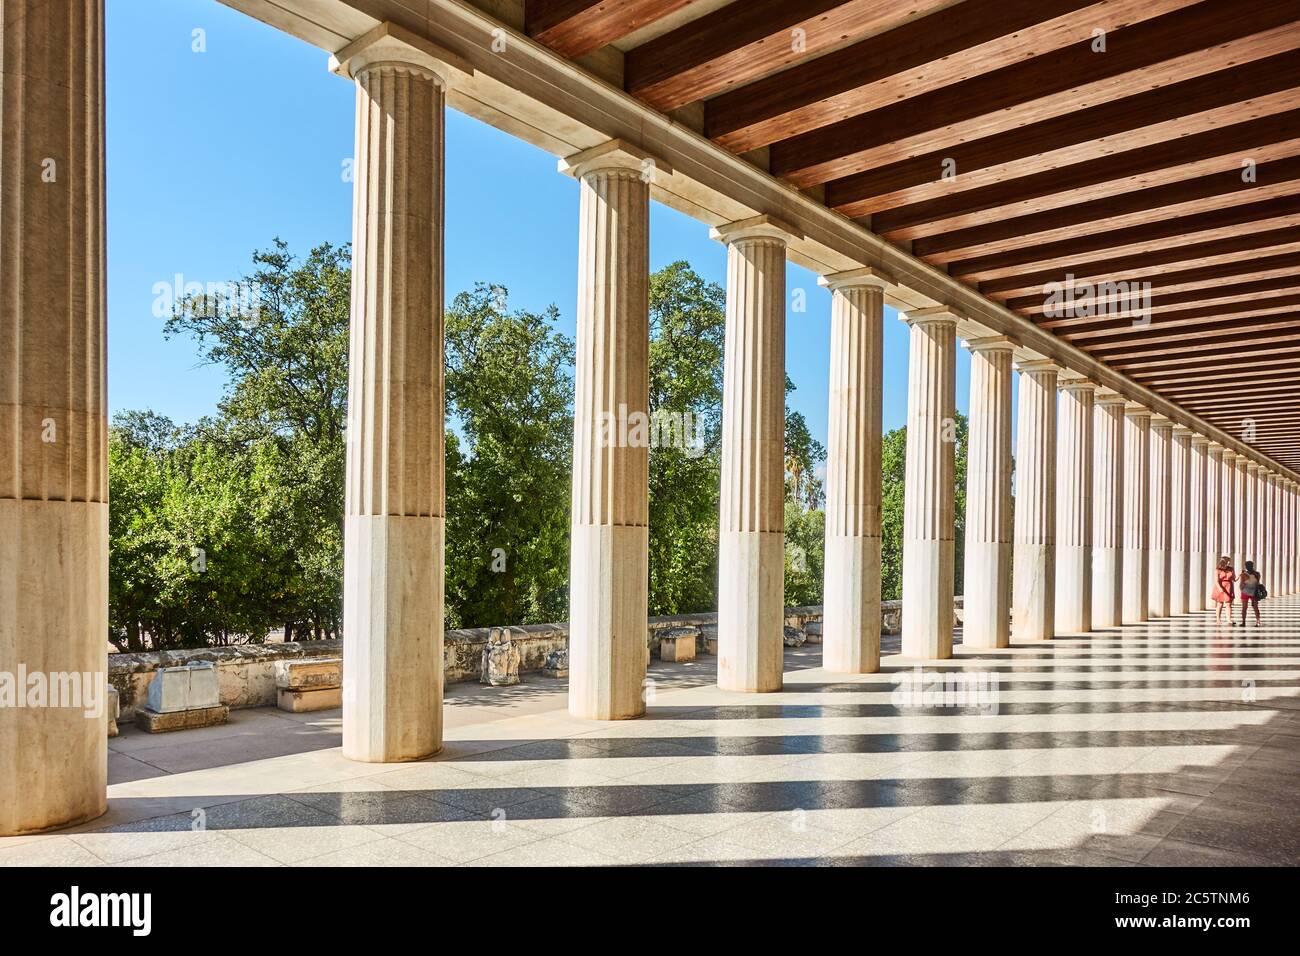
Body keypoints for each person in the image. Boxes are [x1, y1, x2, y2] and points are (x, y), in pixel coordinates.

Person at [1238, 560, 1264, 627]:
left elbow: (1241, 584)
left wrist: (1242, 589)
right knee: (1255, 607)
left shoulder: (1244, 574)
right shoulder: (1257, 574)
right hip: (1253, 591)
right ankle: (1257, 621)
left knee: (1245, 607)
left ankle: (1244, 622)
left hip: (1246, 592)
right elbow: (1257, 582)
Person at [1212, 555, 1235, 625]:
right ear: (1224, 562)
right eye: (1228, 561)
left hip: (1229, 587)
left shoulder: (1231, 569)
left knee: (1228, 604)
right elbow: (1216, 581)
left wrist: (1240, 576)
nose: (1229, 563)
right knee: (1220, 604)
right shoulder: (1217, 570)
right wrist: (1220, 589)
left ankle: (1229, 619)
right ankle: (1218, 619)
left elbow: (1234, 579)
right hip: (1220, 586)